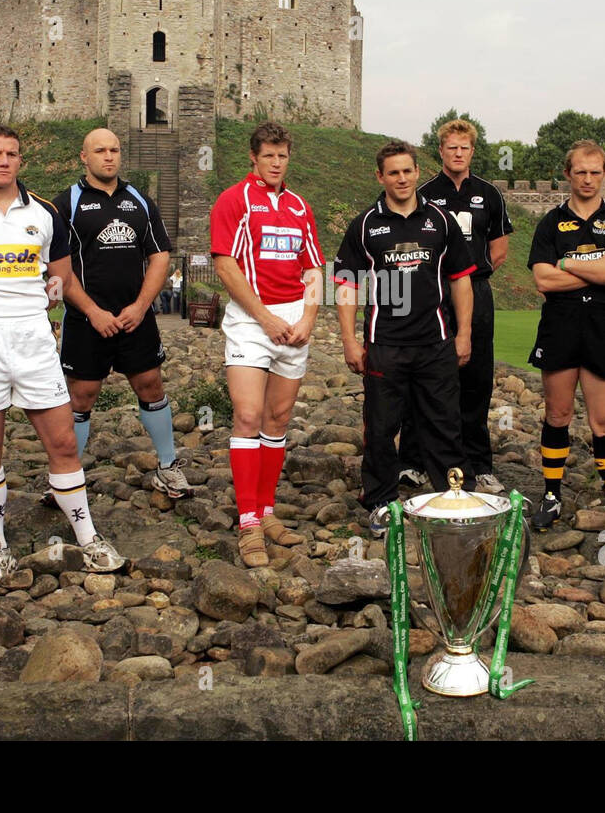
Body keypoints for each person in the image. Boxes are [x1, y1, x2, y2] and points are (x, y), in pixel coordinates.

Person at [0, 124, 124, 584]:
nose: (4, 161)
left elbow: (62, 278)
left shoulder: (46, 213)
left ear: (20, 160)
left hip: (34, 341)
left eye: (12, 154)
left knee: (64, 442)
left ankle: (88, 538)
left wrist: (45, 297)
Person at [334, 140, 475, 535]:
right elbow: (346, 283)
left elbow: (461, 280)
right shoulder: (365, 224)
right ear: (380, 176)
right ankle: (380, 502)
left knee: (444, 425)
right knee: (380, 428)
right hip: (385, 346)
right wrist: (348, 339)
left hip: (436, 343)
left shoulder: (440, 221)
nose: (401, 178)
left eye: (407, 171)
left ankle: (454, 499)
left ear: (417, 172)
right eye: (392, 172)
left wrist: (464, 334)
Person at [51, 128, 192, 500]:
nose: (108, 157)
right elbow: (58, 268)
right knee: (82, 395)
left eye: (114, 150)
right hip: (86, 320)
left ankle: (167, 466)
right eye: (100, 150)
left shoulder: (139, 201)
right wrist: (93, 311)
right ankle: (66, 478)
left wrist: (141, 306)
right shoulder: (66, 203)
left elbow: (160, 255)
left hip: (136, 318)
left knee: (151, 386)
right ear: (84, 157)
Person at [210, 121, 324, 568]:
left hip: (295, 319)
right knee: (248, 415)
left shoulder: (299, 206)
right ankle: (248, 523)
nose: (276, 163)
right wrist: (265, 317)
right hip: (252, 319)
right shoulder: (235, 200)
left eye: (283, 156)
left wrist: (310, 318)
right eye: (269, 155)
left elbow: (314, 270)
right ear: (253, 158)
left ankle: (268, 511)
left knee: (277, 419)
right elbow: (224, 265)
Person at [527, 140, 605, 534]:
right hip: (560, 327)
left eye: (596, 172)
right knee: (558, 415)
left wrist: (567, 263)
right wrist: (595, 261)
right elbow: (543, 278)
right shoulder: (550, 222)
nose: (589, 179)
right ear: (568, 174)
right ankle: (551, 496)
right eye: (581, 171)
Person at [395, 118, 513, 495]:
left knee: (476, 377)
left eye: (464, 147)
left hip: (475, 292)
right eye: (451, 147)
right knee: (426, 374)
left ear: (472, 151)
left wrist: (474, 275)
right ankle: (412, 462)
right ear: (441, 151)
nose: (458, 153)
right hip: (434, 293)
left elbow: (499, 247)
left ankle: (478, 462)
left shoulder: (488, 194)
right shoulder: (425, 193)